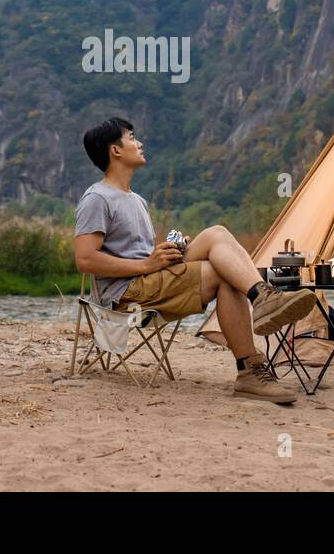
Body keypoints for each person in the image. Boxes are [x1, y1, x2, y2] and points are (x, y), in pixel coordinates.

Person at [72, 117, 318, 403]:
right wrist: (145, 265)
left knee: (216, 233)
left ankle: (262, 299)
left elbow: (139, 253)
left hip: (150, 279)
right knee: (222, 274)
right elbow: (85, 259)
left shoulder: (136, 200)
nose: (139, 143)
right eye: (132, 137)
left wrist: (170, 250)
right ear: (115, 150)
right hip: (127, 294)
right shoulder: (97, 198)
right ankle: (251, 362)